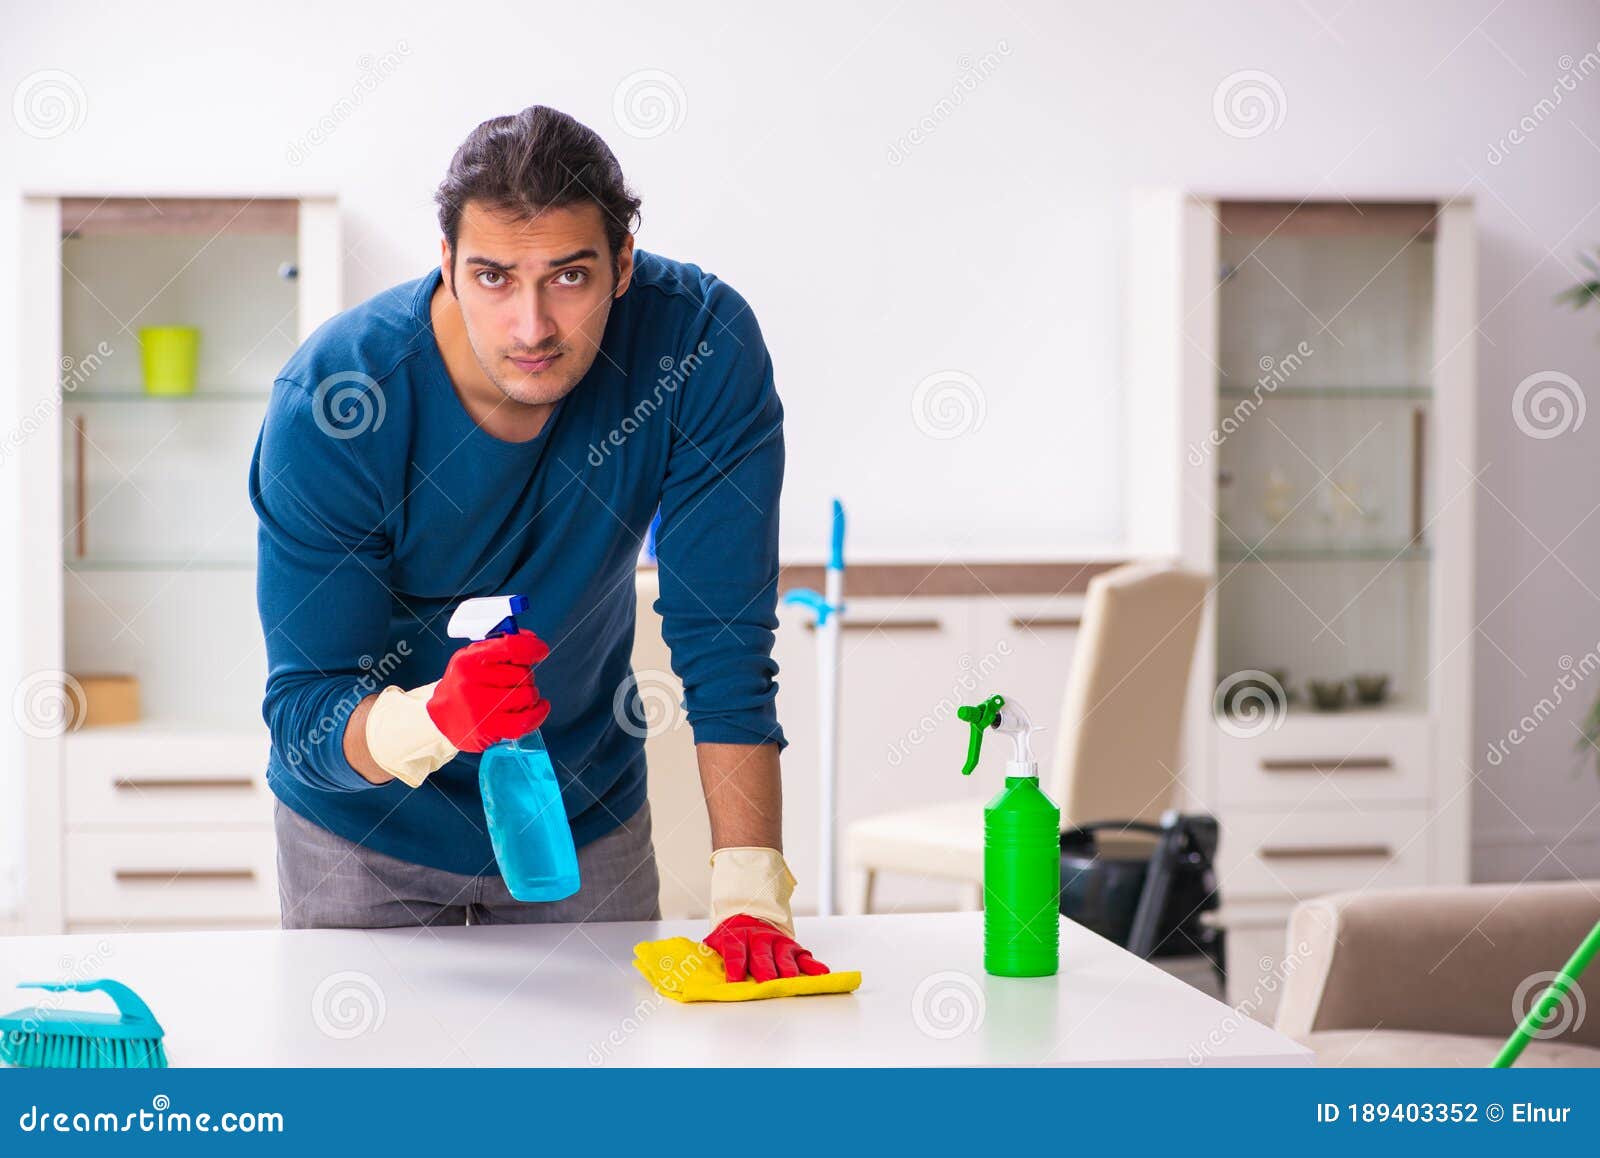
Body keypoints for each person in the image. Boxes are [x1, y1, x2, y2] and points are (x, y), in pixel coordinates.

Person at [249, 104, 826, 982]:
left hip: (581, 817)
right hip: (365, 836)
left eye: (568, 277)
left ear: (623, 264)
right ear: (444, 263)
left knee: (598, 1111)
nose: (531, 327)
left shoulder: (695, 347)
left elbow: (725, 643)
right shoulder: (339, 402)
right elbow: (303, 716)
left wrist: (750, 890)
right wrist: (433, 718)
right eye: (491, 277)